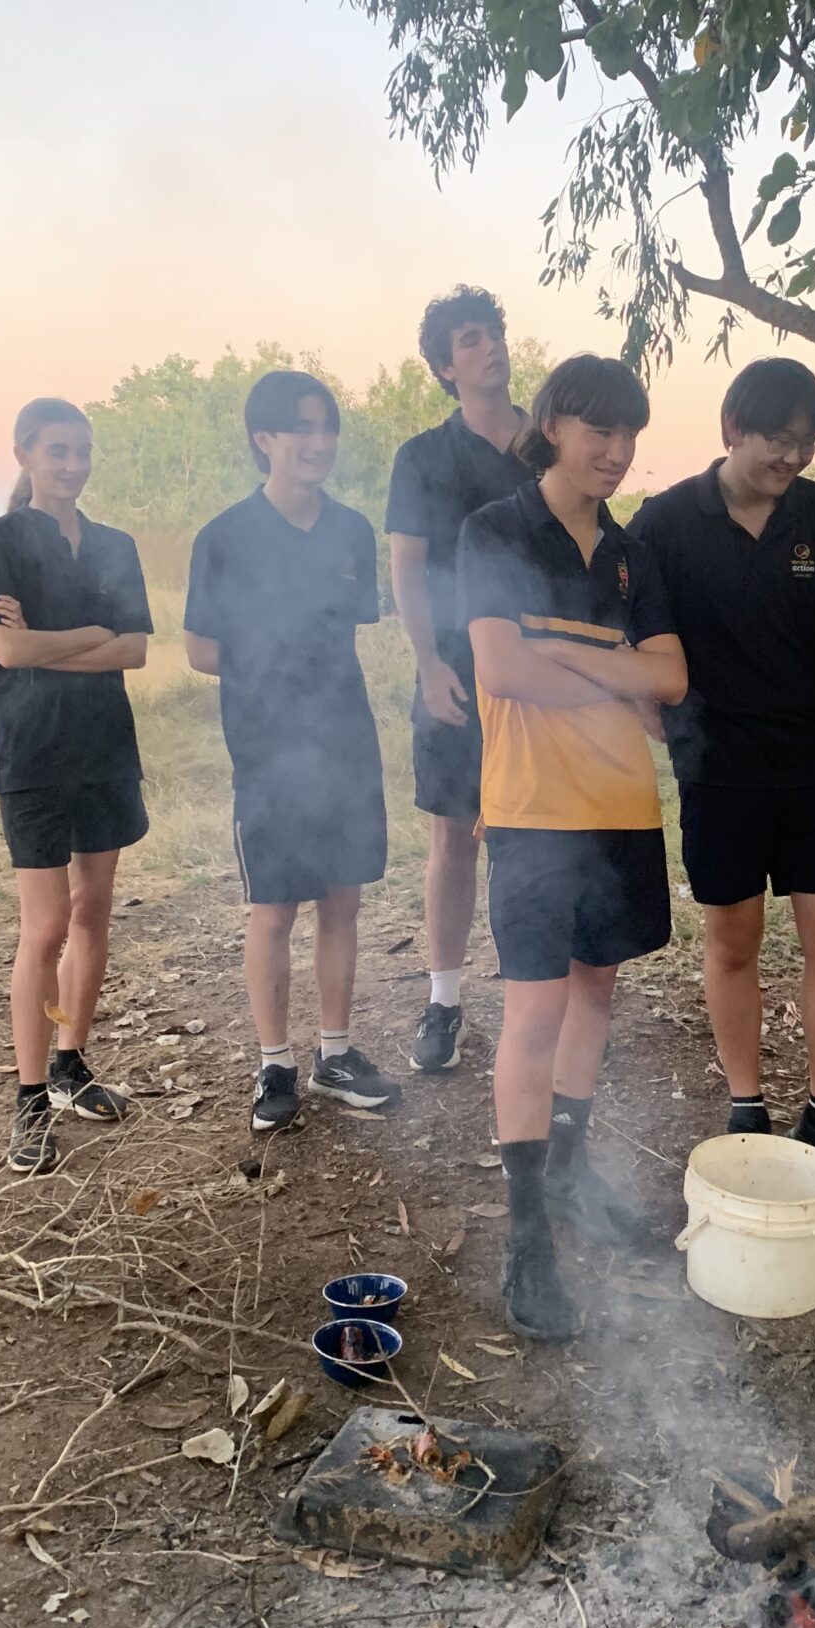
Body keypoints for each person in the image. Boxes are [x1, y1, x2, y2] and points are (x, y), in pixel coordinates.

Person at [628, 359, 815, 1194]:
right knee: (733, 941)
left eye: (806, 442)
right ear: (731, 429)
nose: (791, 457)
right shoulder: (664, 524)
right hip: (717, 770)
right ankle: (744, 1105)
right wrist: (665, 734)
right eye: (776, 439)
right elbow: (644, 652)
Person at [458, 354, 687, 1342]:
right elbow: (504, 669)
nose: (617, 451)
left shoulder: (634, 556)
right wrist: (616, 673)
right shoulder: (496, 531)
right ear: (553, 423)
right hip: (531, 805)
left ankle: (573, 1163)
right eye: (600, 431)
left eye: (629, 435)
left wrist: (569, 655)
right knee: (536, 1009)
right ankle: (525, 1231)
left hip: (622, 806)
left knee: (598, 987)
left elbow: (673, 678)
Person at [184, 369, 401, 1137]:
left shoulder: (350, 531)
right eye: (300, 429)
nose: (318, 444)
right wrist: (269, 659)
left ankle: (335, 1053)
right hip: (269, 748)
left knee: (343, 896)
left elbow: (354, 624)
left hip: (344, 737)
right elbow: (200, 650)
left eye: (327, 429)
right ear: (264, 439)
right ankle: (275, 1063)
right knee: (273, 908)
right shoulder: (225, 537)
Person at [0, 398, 152, 1176]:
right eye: (57, 451)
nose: (72, 464)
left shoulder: (115, 546)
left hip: (105, 749)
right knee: (44, 930)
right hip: (32, 754)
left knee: (93, 910)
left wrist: (49, 642)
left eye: (82, 450)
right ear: (26, 454)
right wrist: (85, 636)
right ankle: (31, 1100)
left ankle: (73, 1060)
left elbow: (135, 651)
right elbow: (6, 652)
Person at [385, 287, 531, 1075]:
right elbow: (406, 570)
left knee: (533, 833)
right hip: (454, 670)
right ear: (446, 366)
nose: (490, 347)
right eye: (470, 340)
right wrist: (429, 663)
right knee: (453, 836)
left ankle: (533, 996)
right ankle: (443, 1000)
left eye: (494, 333)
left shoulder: (547, 445)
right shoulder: (423, 457)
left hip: (541, 672)